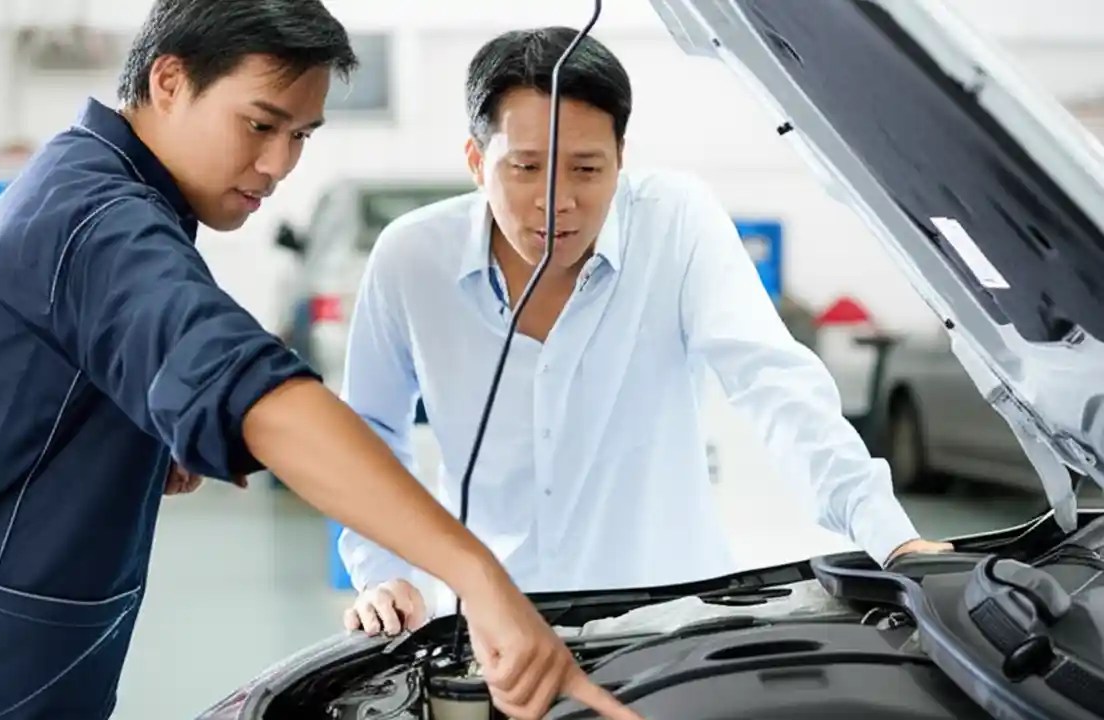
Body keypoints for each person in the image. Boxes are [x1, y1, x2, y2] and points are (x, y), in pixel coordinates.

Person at [0, 4, 642, 720]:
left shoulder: (93, 189)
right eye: (260, 124)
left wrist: (132, 438)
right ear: (171, 79)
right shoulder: (97, 221)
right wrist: (479, 575)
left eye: (301, 136)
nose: (281, 165)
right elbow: (262, 393)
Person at [339, 27, 952, 635]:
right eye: (525, 167)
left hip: (670, 624)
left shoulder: (676, 223)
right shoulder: (410, 258)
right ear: (476, 162)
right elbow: (368, 428)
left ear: (621, 158)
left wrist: (889, 536)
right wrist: (382, 571)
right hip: (489, 626)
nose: (557, 202)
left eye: (586, 168)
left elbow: (773, 383)